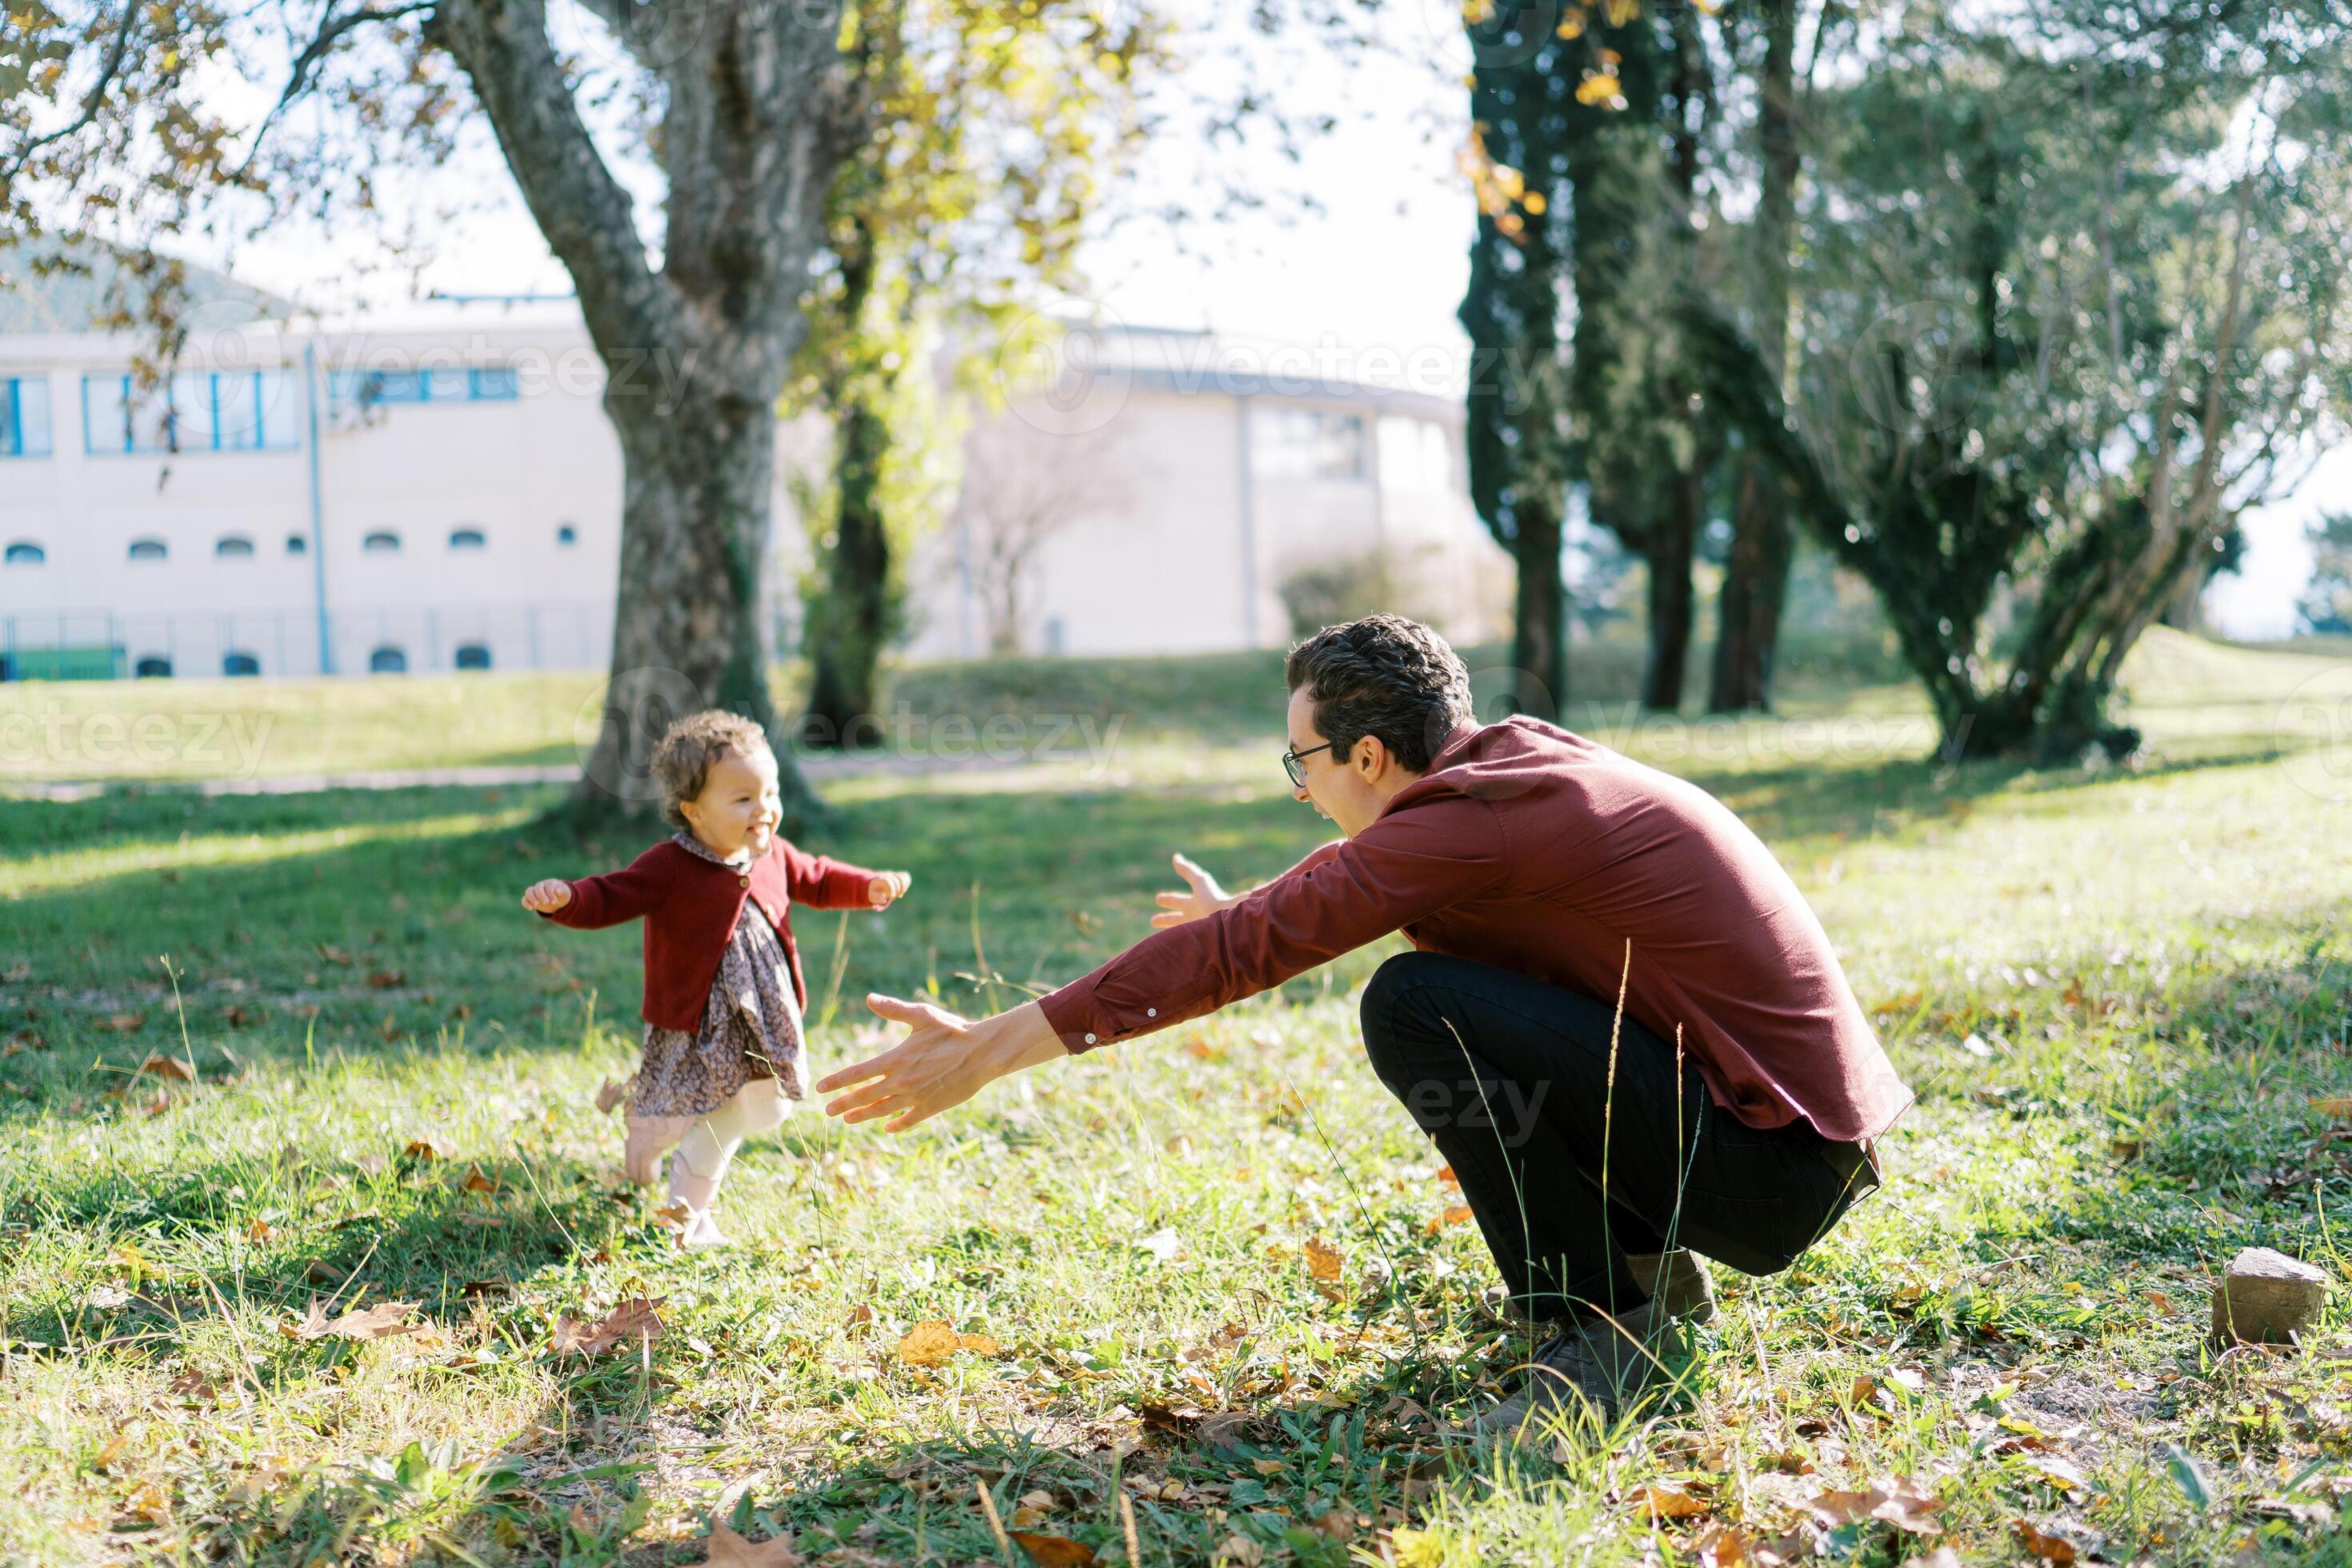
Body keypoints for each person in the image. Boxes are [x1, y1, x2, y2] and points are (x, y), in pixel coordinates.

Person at [817, 615, 1910, 1434]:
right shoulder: (1509, 774)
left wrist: (988, 1049)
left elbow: (1268, 938)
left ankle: (1600, 1335)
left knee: (1416, 1007)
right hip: (1786, 1152)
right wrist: (1246, 915)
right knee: (1453, 993)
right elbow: (1334, 900)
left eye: (1305, 764)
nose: (1304, 791)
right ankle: (1647, 1292)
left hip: (1770, 1168)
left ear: (1372, 758)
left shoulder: (1474, 819)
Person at [524, 709, 911, 1247]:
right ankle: (688, 1217)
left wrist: (867, 885)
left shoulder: (772, 854)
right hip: (700, 1026)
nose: (765, 811)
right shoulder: (671, 866)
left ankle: (647, 1127)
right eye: (743, 799)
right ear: (693, 812)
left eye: (770, 793)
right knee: (720, 1117)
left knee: (760, 1107)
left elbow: (818, 878)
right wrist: (566, 899)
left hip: (764, 1022)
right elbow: (612, 895)